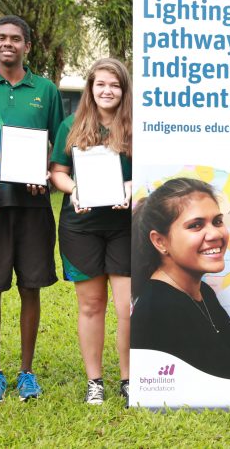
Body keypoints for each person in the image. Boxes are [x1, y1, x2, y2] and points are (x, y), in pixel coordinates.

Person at [0, 15, 64, 404]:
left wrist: (46, 174)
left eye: (16, 38)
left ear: (27, 47)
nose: (8, 43)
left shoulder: (47, 90)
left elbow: (57, 147)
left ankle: (27, 372)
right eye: (2, 38)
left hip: (34, 205)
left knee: (30, 285)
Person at [131, 178, 230, 381]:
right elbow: (175, 398)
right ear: (160, 241)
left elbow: (213, 367)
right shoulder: (157, 309)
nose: (215, 233)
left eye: (217, 221)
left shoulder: (203, 291)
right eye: (196, 225)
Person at [49, 58, 133, 405]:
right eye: (100, 84)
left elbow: (146, 173)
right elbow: (58, 172)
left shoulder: (136, 127)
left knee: (128, 307)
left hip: (124, 226)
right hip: (81, 226)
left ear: (123, 90)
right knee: (91, 305)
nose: (107, 91)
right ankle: (94, 381)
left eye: (114, 85)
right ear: (91, 88)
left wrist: (130, 187)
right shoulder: (71, 124)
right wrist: (74, 191)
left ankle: (129, 379)